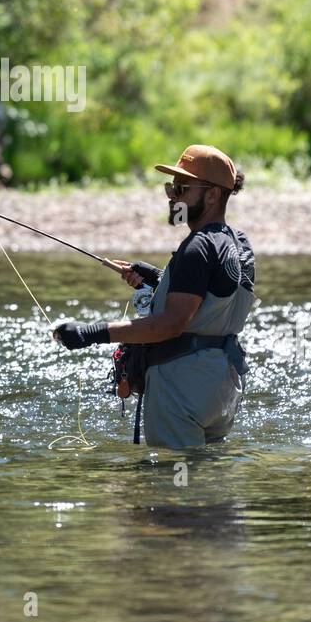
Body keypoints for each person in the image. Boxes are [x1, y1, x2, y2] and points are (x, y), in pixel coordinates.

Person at [53, 144, 257, 449]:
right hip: (223, 386)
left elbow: (171, 324)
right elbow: (212, 302)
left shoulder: (197, 247)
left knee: (168, 486)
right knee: (208, 482)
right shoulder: (238, 244)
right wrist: (156, 279)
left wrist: (89, 333)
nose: (173, 196)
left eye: (182, 188)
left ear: (213, 195)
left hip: (182, 388)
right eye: (171, 187)